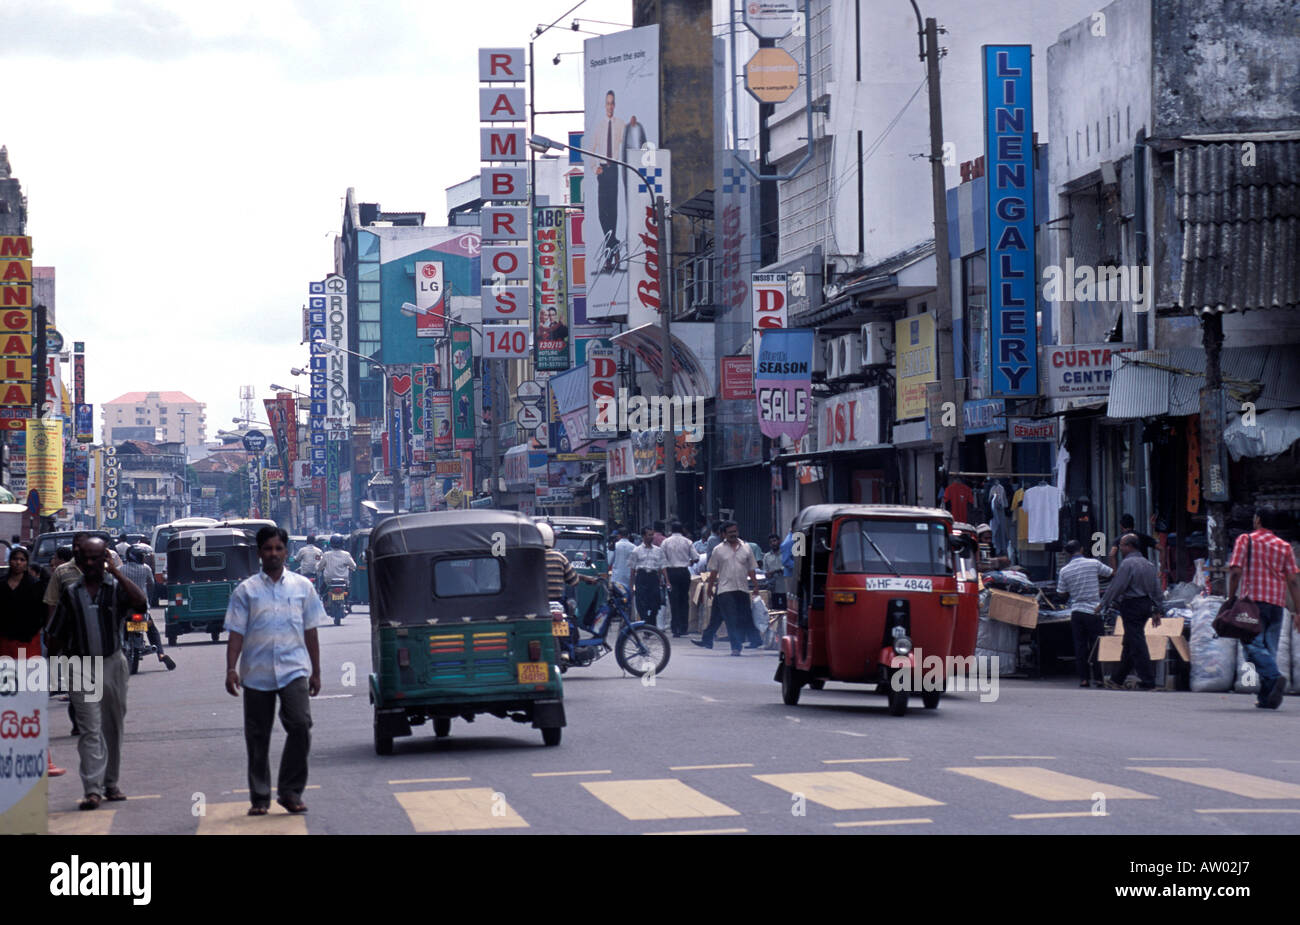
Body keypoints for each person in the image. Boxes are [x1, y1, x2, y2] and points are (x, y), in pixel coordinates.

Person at [224, 526, 325, 816]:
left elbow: (311, 632)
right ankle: (259, 797)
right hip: (256, 673)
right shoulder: (246, 591)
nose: (273, 554)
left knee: (300, 725)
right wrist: (231, 668)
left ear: (286, 552)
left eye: (278, 548)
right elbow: (236, 634)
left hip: (294, 670)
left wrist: (316, 672)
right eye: (267, 549)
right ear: (259, 553)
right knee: (258, 737)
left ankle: (291, 791)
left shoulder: (302, 587)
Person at [47, 536, 148, 809]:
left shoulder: (116, 588)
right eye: (86, 559)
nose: (91, 564)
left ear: (105, 558)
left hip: (113, 662)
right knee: (90, 729)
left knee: (113, 726)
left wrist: (115, 571)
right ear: (78, 561)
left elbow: (140, 604)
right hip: (80, 666)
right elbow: (55, 633)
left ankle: (111, 783)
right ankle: (92, 789)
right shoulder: (71, 593)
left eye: (96, 558)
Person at [0, 546, 67, 777]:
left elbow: (44, 615)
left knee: (30, 705)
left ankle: (41, 759)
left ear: (27, 563)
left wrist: (42, 633)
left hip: (29, 647)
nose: (18, 563)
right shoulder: (1, 586)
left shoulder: (36, 587)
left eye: (22, 559)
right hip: (4, 648)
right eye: (15, 559)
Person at [1227, 505, 1300, 710]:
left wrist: (1230, 598)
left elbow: (1235, 572)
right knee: (1269, 649)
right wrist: (1298, 611)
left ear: (1257, 520)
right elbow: (1293, 581)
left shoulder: (1246, 540)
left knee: (1251, 646)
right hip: (1277, 605)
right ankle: (1266, 697)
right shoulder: (1284, 546)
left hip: (1252, 603)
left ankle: (1275, 677)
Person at [1097, 533, 1163, 691]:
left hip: (1131, 605)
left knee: (1137, 642)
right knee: (1130, 642)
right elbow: (1156, 590)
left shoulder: (1127, 564)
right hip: (1145, 605)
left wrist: (1103, 603)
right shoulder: (1149, 564)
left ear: (1130, 546)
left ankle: (1148, 681)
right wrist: (1157, 610)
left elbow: (1117, 586)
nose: (1120, 549)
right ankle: (1117, 679)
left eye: (1122, 546)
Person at [1056, 539, 1114, 687]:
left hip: (1076, 612)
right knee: (1096, 644)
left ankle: (1084, 678)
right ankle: (1099, 678)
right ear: (1081, 549)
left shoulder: (1064, 570)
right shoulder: (1093, 564)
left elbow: (1061, 594)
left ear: (1068, 554)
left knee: (1080, 646)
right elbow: (1110, 573)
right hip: (1094, 611)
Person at [699, 521, 761, 656]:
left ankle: (752, 640)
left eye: (735, 531)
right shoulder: (718, 550)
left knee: (743, 616)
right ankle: (736, 647)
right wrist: (710, 588)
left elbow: (751, 569)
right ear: (723, 534)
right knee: (731, 618)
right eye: (730, 532)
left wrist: (756, 584)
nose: (733, 534)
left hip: (742, 588)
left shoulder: (746, 548)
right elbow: (714, 572)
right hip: (725, 589)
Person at [120, 544, 175, 671]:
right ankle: (161, 654)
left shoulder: (121, 569)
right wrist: (149, 598)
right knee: (152, 630)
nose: (144, 559)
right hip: (142, 607)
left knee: (119, 627)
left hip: (125, 608)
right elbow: (151, 584)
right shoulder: (146, 569)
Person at [590, 89, 626, 272]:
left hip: (614, 169)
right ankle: (615, 245)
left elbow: (626, 143)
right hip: (603, 170)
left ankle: (610, 255)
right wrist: (594, 166)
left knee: (612, 212)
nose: (610, 106)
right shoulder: (599, 126)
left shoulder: (621, 124)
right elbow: (591, 148)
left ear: (615, 105)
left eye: (612, 103)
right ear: (604, 105)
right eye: (607, 103)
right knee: (601, 213)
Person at [628, 526, 667, 629]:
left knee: (655, 604)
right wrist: (631, 586)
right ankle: (645, 626)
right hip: (641, 577)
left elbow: (662, 566)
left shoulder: (658, 551)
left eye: (652, 535)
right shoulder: (636, 551)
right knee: (642, 603)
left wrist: (666, 580)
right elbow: (632, 569)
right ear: (643, 536)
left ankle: (652, 625)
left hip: (653, 578)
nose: (652, 537)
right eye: (649, 535)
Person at [661, 521, 695, 638]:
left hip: (671, 573)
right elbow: (695, 557)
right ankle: (684, 627)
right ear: (682, 530)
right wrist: (688, 561)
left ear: (671, 530)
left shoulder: (665, 542)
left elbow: (662, 559)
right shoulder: (688, 542)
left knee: (673, 600)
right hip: (684, 572)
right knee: (684, 599)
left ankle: (675, 628)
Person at [763, 534, 786, 611]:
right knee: (775, 609)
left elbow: (787, 567)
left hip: (784, 586)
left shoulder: (785, 554)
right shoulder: (767, 556)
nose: (773, 543)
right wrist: (767, 574)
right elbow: (765, 570)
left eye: (774, 541)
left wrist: (775, 571)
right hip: (773, 588)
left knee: (785, 608)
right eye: (771, 542)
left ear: (779, 541)